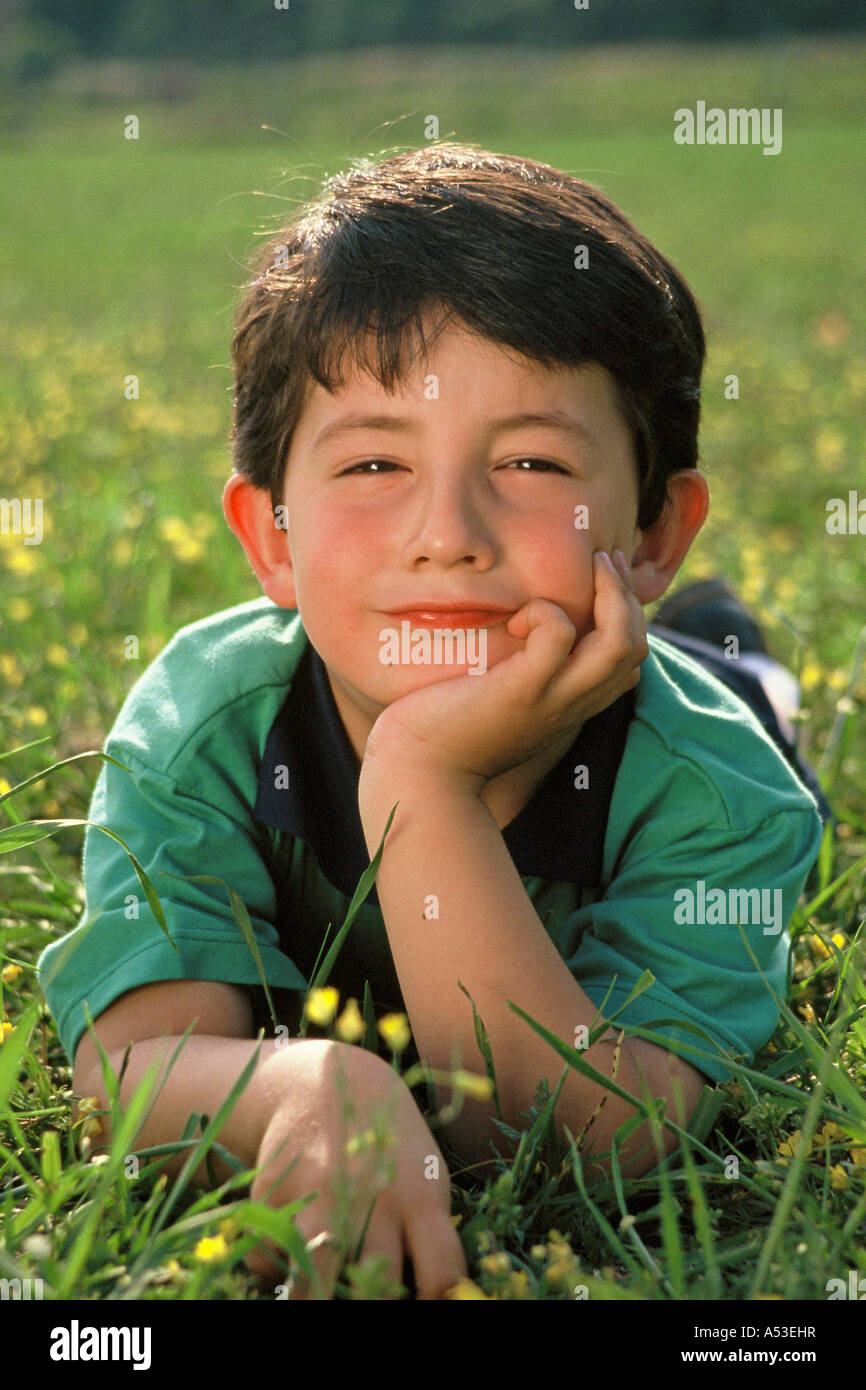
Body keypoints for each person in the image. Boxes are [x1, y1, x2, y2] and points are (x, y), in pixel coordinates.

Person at [37, 142, 824, 1299]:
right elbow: (126, 1077)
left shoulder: (716, 789)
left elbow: (578, 1151)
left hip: (685, 691)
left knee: (740, 685)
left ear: (652, 531)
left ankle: (728, 645)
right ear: (270, 539)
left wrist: (420, 777)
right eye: (369, 463)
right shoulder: (207, 719)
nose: (444, 531)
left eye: (528, 458)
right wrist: (306, 1089)